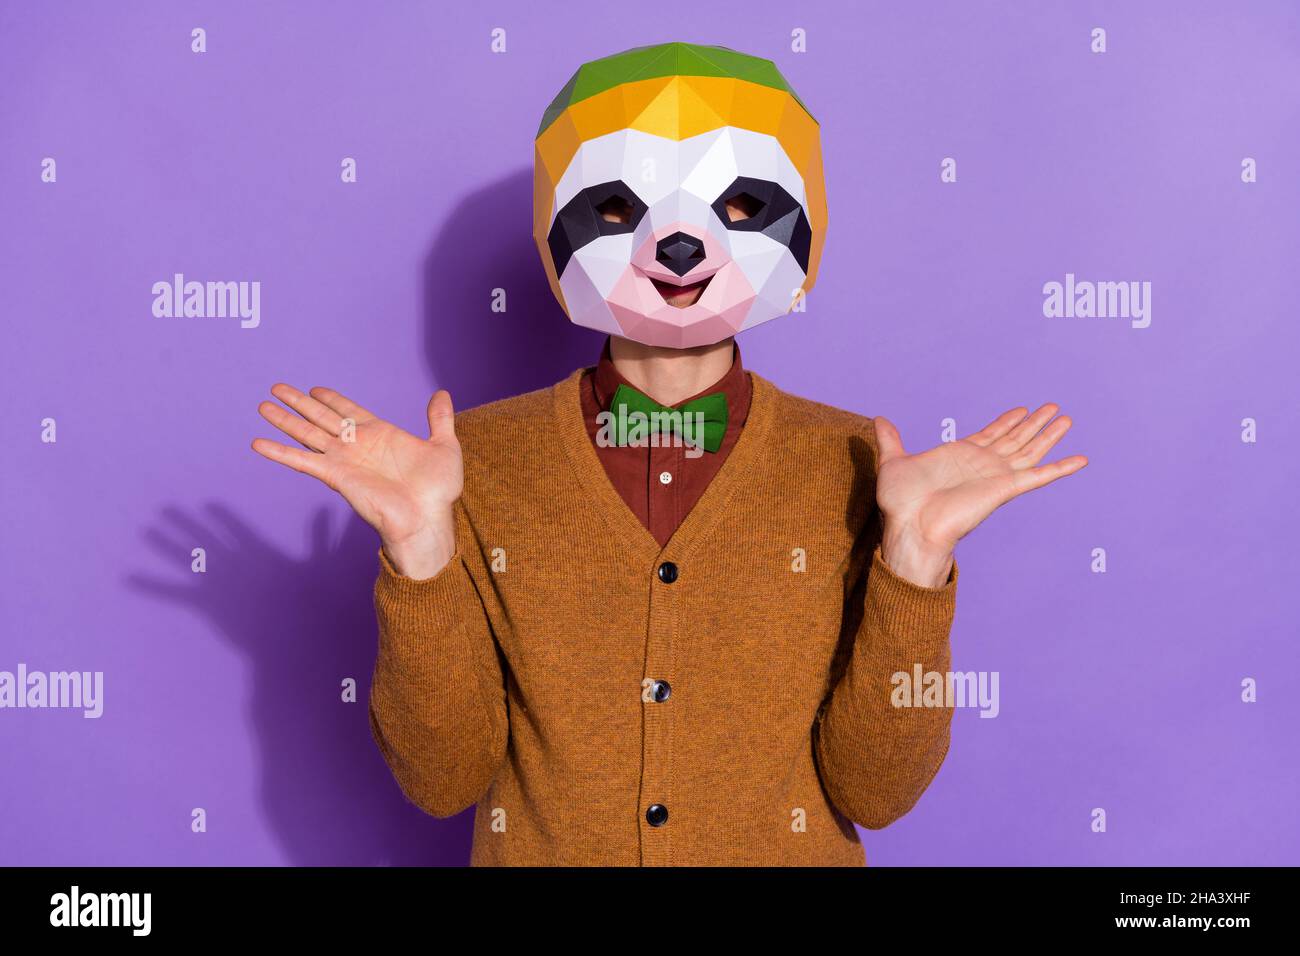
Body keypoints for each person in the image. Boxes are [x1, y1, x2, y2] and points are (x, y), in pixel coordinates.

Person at [251, 42, 1086, 866]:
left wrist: (915, 569)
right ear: (557, 230)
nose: (678, 245)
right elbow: (441, 780)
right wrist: (421, 556)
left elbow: (879, 792)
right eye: (617, 209)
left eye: (739, 206)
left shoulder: (867, 468)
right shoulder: (469, 463)